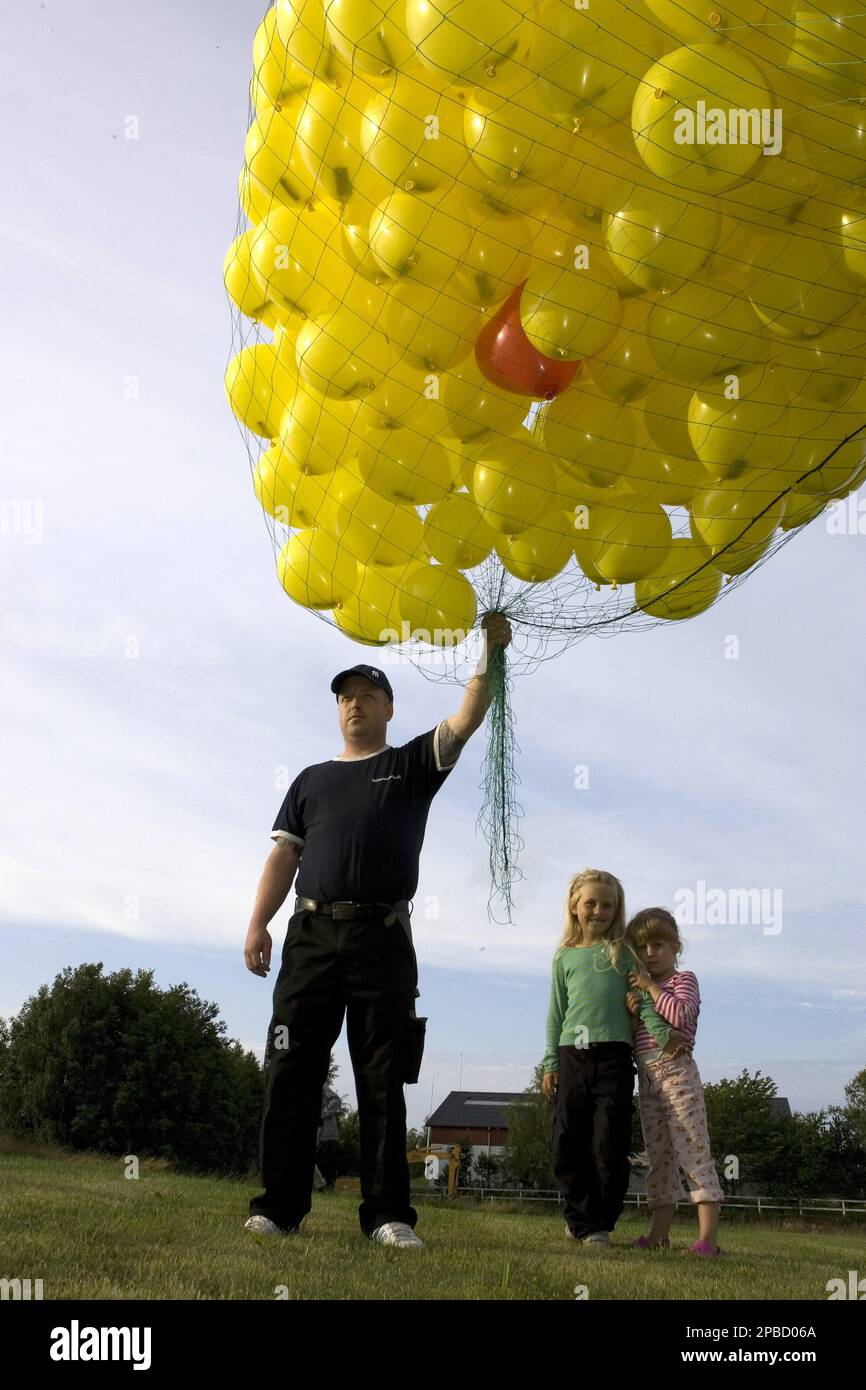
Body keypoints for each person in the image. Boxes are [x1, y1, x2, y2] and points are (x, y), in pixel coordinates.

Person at [243, 611, 512, 1248]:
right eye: (344, 698)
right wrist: (257, 922)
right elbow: (283, 855)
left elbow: (469, 716)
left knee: (381, 1076)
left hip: (382, 940)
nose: (352, 705)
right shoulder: (310, 781)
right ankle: (278, 1207)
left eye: (365, 695)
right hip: (308, 938)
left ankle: (387, 1216)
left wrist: (490, 649)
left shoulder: (412, 764)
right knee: (290, 1069)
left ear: (389, 708)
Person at [541, 868, 687, 1246]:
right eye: (591, 903)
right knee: (566, 1143)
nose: (599, 910)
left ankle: (599, 1226)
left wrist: (664, 1034)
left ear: (616, 909)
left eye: (607, 904)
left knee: (609, 1142)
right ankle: (578, 1219)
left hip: (614, 1059)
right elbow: (556, 1013)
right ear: (575, 905)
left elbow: (641, 1002)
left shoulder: (623, 952)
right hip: (572, 1054)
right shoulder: (563, 958)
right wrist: (550, 1062)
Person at [625, 906, 724, 1256]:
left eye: (658, 945)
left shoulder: (685, 980)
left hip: (677, 1072)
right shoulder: (641, 992)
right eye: (643, 948)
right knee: (659, 1157)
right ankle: (658, 1235)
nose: (651, 953)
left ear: (675, 947)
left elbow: (681, 1016)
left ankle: (707, 1240)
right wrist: (636, 1008)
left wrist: (651, 988)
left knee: (693, 1149)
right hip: (648, 1078)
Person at [315, 1081, 342, 1190]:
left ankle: (327, 1186)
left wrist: (323, 1112)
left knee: (327, 1161)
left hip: (327, 1133)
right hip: (316, 1131)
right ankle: (319, 1186)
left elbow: (337, 1100)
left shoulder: (323, 1087)